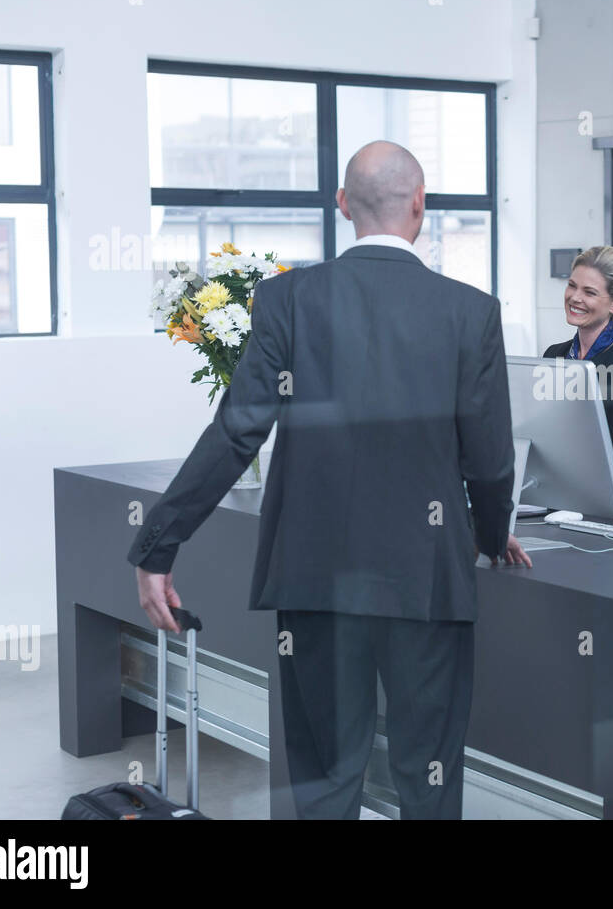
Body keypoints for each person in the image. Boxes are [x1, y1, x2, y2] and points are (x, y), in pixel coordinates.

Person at [128, 140, 531, 820]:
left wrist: (157, 547)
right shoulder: (470, 312)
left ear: (342, 205)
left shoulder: (287, 298)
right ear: (421, 208)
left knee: (324, 780)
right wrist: (493, 536)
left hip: (316, 579)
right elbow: (490, 462)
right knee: (426, 777)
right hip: (427, 581)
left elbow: (236, 433)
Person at [542, 246, 613, 507]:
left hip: (610, 506)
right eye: (572, 286)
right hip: (555, 498)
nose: (574, 297)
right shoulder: (553, 356)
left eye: (589, 292)